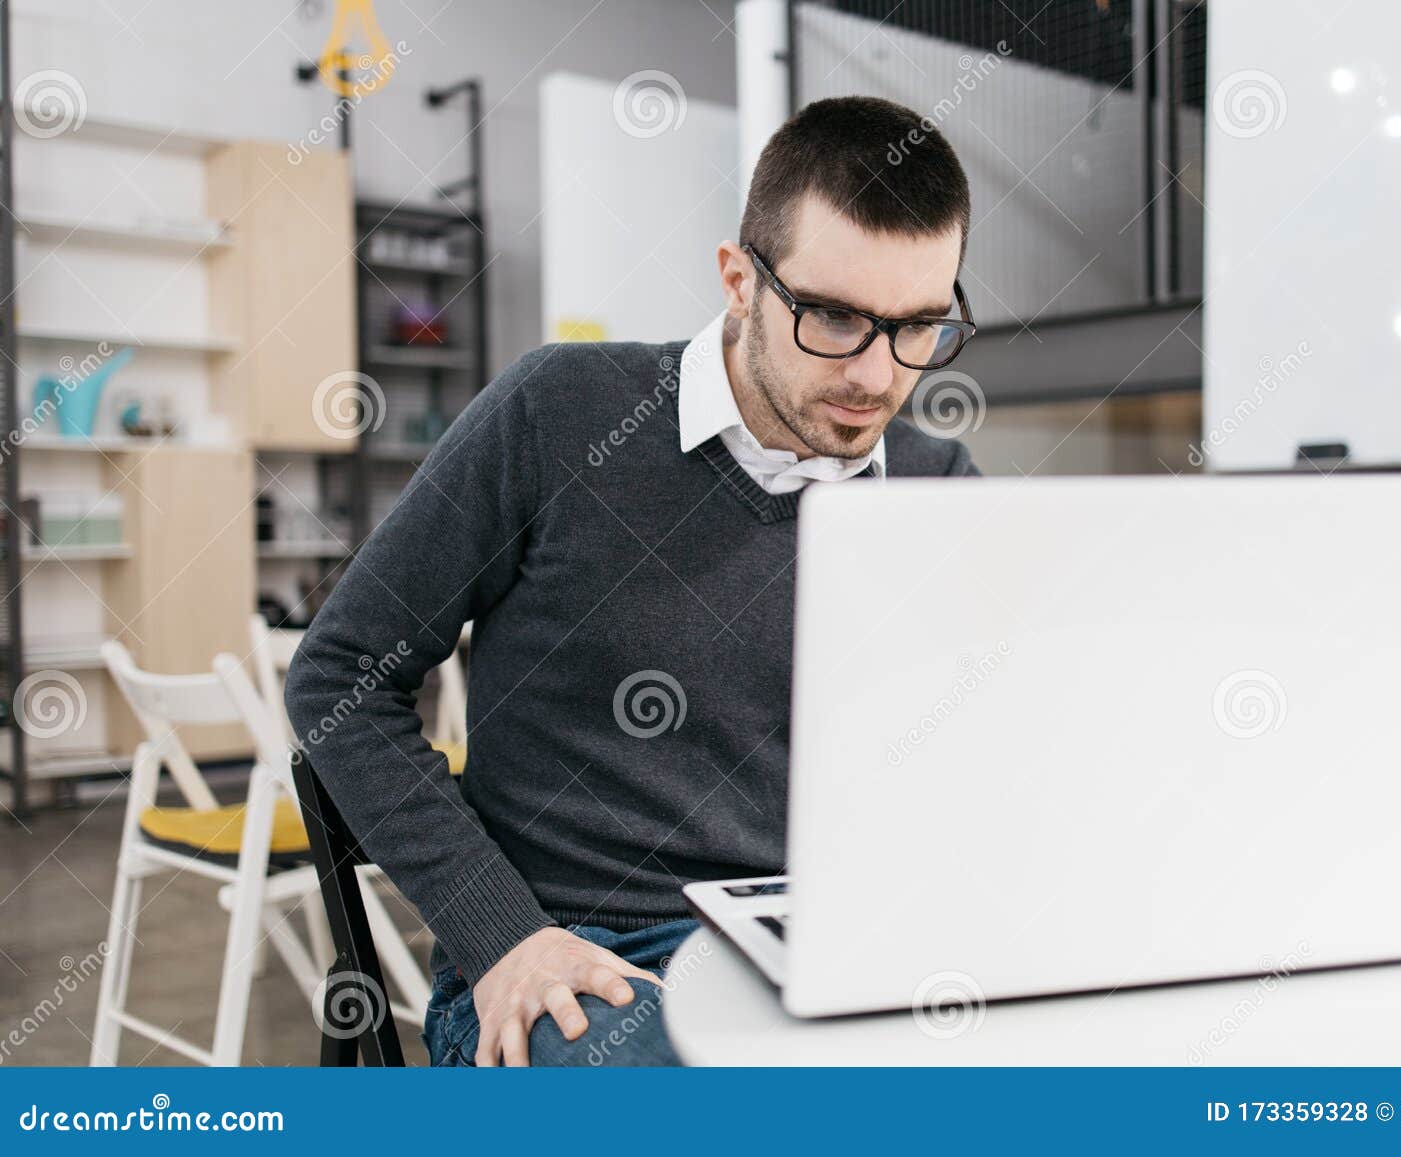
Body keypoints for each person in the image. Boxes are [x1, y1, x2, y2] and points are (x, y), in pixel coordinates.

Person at [285, 94, 981, 1067]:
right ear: (739, 280)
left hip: (833, 944)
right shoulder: (560, 414)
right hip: (587, 958)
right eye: (832, 317)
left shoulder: (933, 482)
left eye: (919, 325)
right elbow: (340, 678)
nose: (877, 371)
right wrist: (500, 933)